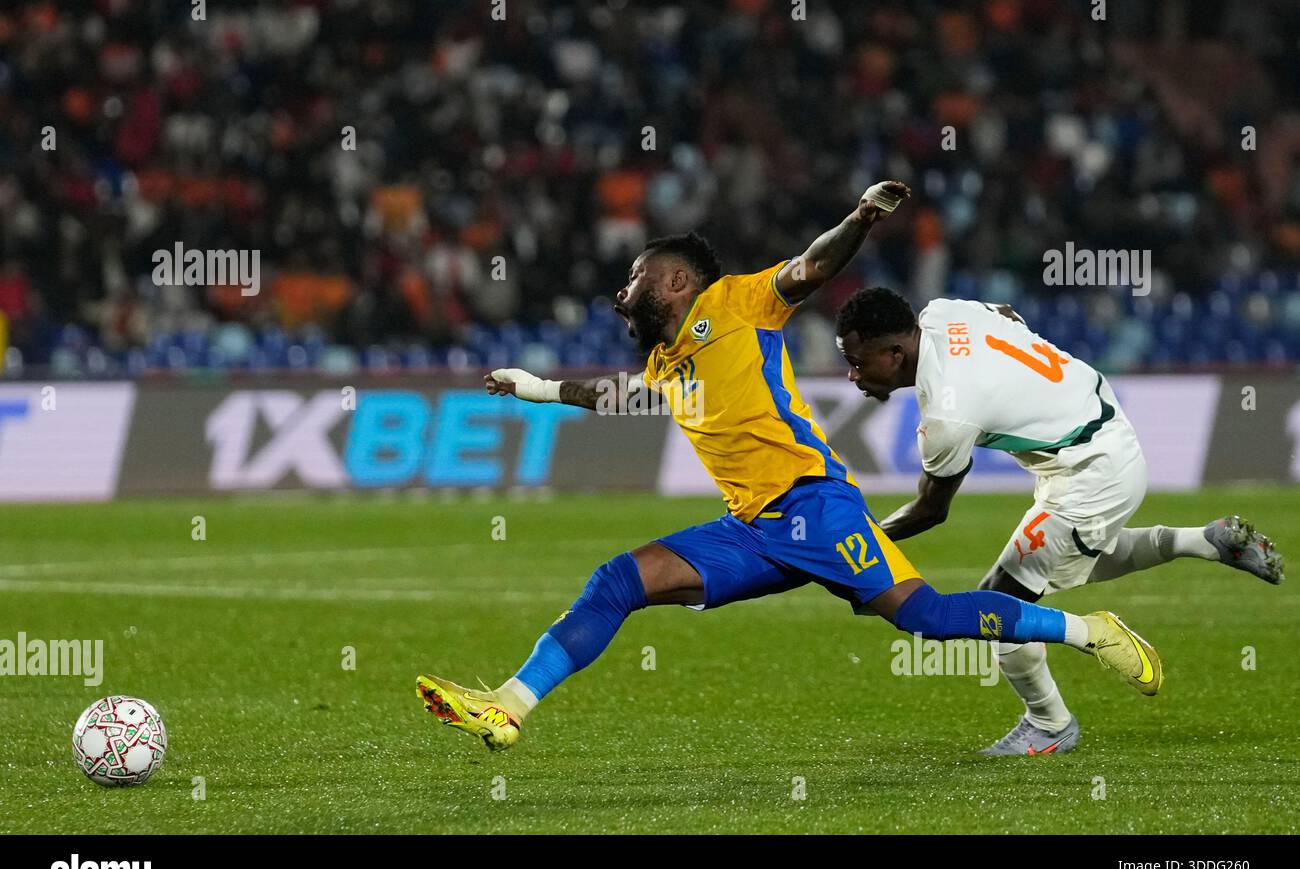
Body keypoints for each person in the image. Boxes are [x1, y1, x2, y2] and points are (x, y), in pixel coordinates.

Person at [416, 182, 1163, 751]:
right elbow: (618, 395)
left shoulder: (737, 304)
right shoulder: (668, 360)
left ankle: (1088, 630)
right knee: (617, 581)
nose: (623, 290)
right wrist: (539, 389)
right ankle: (507, 708)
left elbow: (810, 267)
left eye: (637, 276)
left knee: (928, 619)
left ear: (676, 283)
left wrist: (864, 217)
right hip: (752, 527)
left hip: (812, 504)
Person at [834, 288, 1283, 755]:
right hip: (1098, 428)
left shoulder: (948, 414)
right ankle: (1206, 542)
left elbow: (931, 510)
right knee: (1076, 555)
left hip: (1091, 471)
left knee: (998, 604)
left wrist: (852, 541)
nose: (852, 375)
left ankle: (1050, 724)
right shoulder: (943, 312)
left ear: (895, 353)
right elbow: (1009, 314)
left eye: (860, 363)